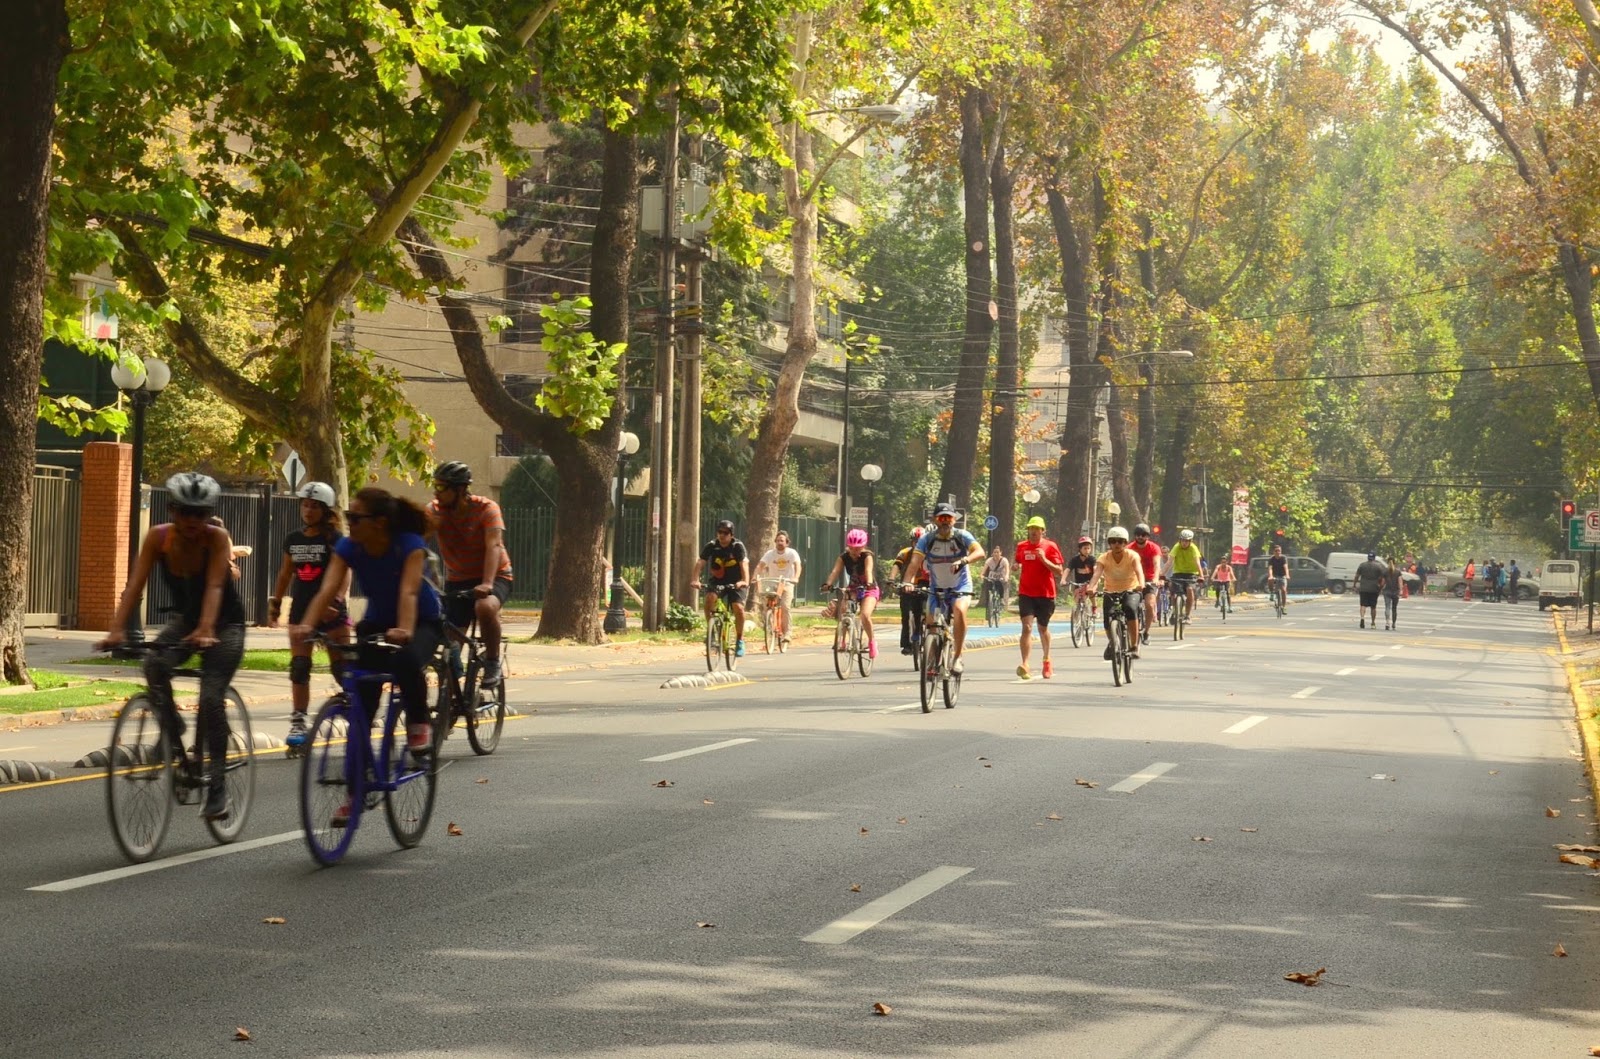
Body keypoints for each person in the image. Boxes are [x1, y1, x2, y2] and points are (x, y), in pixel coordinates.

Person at [97, 473, 246, 820]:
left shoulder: (217, 538)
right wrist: (116, 630)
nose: (193, 521)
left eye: (201, 513)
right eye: (185, 512)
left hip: (225, 623)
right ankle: (173, 726)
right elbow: (135, 585)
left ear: (209, 514)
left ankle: (218, 787)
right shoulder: (158, 538)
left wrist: (208, 628)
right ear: (172, 510)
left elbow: (214, 587)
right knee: (154, 664)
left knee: (211, 697)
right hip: (185, 621)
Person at [293, 487, 442, 822]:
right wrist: (306, 625)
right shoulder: (348, 546)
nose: (350, 524)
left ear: (379, 522)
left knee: (405, 661)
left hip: (421, 621)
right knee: (361, 704)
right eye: (348, 517)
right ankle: (356, 791)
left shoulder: (409, 545)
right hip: (376, 623)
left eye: (355, 518)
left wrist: (404, 629)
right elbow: (327, 588)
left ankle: (419, 724)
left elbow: (408, 591)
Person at [268, 482, 352, 748]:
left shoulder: (335, 539)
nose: (308, 510)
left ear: (325, 510)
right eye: (305, 504)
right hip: (302, 610)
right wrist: (276, 603)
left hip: (331, 612)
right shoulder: (293, 539)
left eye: (314, 506)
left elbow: (345, 571)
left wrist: (337, 601)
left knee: (342, 668)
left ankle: (359, 708)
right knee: (299, 667)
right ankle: (298, 720)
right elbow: (285, 573)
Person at [429, 461, 512, 687]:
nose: (436, 492)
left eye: (441, 487)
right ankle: (452, 695)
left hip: (495, 575)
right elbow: (417, 539)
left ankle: (493, 662)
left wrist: (486, 583)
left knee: (484, 607)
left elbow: (494, 545)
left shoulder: (486, 509)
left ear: (460, 490)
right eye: (435, 486)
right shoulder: (435, 511)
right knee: (450, 643)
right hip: (458, 579)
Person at [900, 503, 985, 673]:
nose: (945, 522)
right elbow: (914, 563)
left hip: (960, 585)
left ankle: (958, 656)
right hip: (937, 587)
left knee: (959, 610)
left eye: (949, 518)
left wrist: (963, 561)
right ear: (935, 520)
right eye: (941, 518)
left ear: (954, 520)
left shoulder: (962, 536)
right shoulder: (927, 539)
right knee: (931, 625)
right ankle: (932, 662)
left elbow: (980, 552)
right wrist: (908, 582)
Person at [1082, 525, 1146, 657]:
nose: (1117, 544)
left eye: (1120, 541)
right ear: (1109, 543)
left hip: (1131, 590)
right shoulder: (1103, 558)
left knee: (1130, 609)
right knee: (1108, 618)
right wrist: (1091, 587)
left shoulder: (1132, 555)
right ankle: (1112, 642)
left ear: (1125, 543)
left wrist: (1141, 584)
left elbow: (1139, 571)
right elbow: (1096, 574)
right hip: (1110, 591)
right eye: (1113, 541)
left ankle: (1134, 646)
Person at [1014, 516, 1065, 679]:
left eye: (1037, 529)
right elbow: (1017, 561)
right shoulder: (1021, 546)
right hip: (1026, 593)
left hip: (1045, 594)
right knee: (1027, 627)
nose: (1034, 532)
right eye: (1031, 528)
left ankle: (1046, 659)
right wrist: (1015, 566)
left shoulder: (1050, 547)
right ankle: (1025, 664)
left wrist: (1043, 559)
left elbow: (1059, 571)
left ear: (1043, 531)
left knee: (1042, 629)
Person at [692, 519, 750, 657]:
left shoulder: (737, 546)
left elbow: (744, 565)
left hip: (736, 582)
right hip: (718, 581)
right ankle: (711, 631)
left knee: (738, 608)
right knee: (709, 599)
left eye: (725, 533)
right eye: (720, 532)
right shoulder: (712, 545)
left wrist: (744, 581)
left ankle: (740, 640)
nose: (722, 535)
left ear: (731, 534)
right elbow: (700, 562)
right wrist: (695, 579)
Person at [822, 528, 880, 659]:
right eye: (852, 548)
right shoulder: (843, 557)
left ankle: (872, 642)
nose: (855, 552)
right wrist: (828, 584)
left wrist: (869, 582)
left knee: (864, 615)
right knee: (843, 609)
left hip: (868, 588)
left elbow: (868, 571)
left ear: (863, 547)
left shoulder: (867, 556)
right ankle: (842, 640)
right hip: (853, 588)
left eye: (858, 548)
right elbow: (835, 571)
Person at [754, 530, 803, 644]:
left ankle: (787, 633)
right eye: (778, 540)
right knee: (768, 607)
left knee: (785, 607)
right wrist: (755, 577)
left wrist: (796, 577)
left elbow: (797, 566)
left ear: (787, 543)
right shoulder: (770, 554)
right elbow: (760, 566)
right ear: (775, 542)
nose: (780, 542)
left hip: (787, 582)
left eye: (782, 540)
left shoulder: (792, 553)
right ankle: (771, 629)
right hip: (773, 583)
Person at [890, 528, 928, 655]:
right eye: (915, 541)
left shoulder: (930, 553)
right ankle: (907, 644)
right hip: (907, 586)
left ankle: (928, 637)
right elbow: (897, 565)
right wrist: (891, 579)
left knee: (926, 611)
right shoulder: (905, 552)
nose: (917, 544)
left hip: (924, 585)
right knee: (906, 615)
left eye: (920, 541)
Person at [1128, 523, 1162, 642]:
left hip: (1149, 579)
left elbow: (1157, 565)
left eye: (1143, 535)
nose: (1140, 537)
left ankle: (1146, 632)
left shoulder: (1154, 548)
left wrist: (1156, 579)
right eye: (1138, 535)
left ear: (1147, 536)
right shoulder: (1129, 548)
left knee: (1150, 604)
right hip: (1134, 579)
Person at [1168, 529, 1204, 620]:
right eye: (1183, 540)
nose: (1184, 543)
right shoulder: (1176, 546)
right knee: (1173, 591)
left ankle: (1187, 615)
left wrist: (1201, 576)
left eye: (1187, 541)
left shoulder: (1193, 548)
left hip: (1191, 574)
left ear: (1190, 541)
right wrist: (1161, 574)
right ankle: (1174, 610)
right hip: (1178, 573)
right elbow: (1169, 562)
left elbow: (1197, 562)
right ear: (1180, 540)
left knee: (1190, 590)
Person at [1353, 551, 1388, 629]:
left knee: (1363, 605)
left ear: (1368, 557)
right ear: (1374, 558)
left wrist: (1354, 585)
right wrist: (1381, 586)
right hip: (1374, 588)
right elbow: (1383, 577)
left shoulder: (1362, 565)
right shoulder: (1378, 566)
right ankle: (1373, 623)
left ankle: (1362, 618)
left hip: (1363, 588)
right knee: (1373, 607)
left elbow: (1357, 576)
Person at [1066, 536, 1097, 617]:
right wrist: (1063, 579)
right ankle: (1076, 617)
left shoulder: (1092, 559)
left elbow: (1095, 570)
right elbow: (1068, 570)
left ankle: (1094, 608)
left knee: (1091, 592)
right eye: (1085, 548)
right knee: (1077, 599)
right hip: (1078, 583)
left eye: (1088, 548)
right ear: (1080, 549)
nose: (1087, 551)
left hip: (1090, 582)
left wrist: (1094, 582)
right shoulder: (1075, 560)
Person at [981, 550, 1011, 619]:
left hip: (1001, 577)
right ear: (992, 553)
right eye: (994, 552)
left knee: (999, 585)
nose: (996, 554)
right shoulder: (989, 560)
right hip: (992, 576)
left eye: (997, 552)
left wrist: (1006, 576)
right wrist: (982, 575)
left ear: (1000, 553)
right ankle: (990, 606)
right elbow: (984, 569)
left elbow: (1007, 570)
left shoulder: (1004, 560)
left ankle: (1001, 600)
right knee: (989, 588)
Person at [1382, 555, 1403, 629]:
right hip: (1395, 592)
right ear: (1395, 563)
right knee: (1394, 608)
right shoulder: (1398, 572)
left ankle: (1387, 623)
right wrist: (1401, 590)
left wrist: (1380, 588)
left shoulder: (1385, 572)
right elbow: (1400, 582)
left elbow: (1383, 583)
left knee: (1387, 607)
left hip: (1387, 591)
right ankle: (1394, 623)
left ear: (1388, 563)